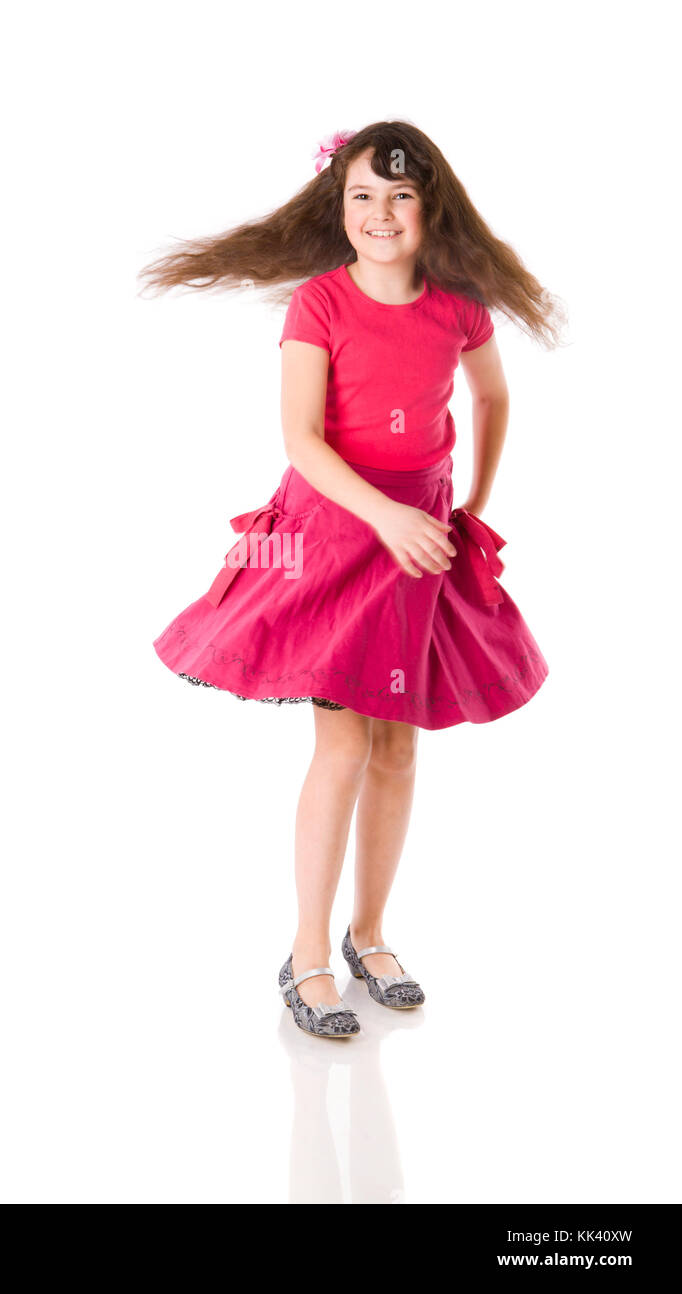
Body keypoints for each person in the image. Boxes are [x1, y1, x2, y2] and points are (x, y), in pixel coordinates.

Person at [139, 120, 564, 1039]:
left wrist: (468, 510)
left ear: (429, 206)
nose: (380, 214)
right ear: (340, 209)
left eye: (400, 196)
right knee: (342, 745)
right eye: (362, 196)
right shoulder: (320, 306)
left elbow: (492, 397)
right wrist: (387, 517)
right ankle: (306, 952)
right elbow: (301, 440)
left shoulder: (457, 304)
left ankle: (369, 931)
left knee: (401, 746)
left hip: (421, 538)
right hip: (333, 532)